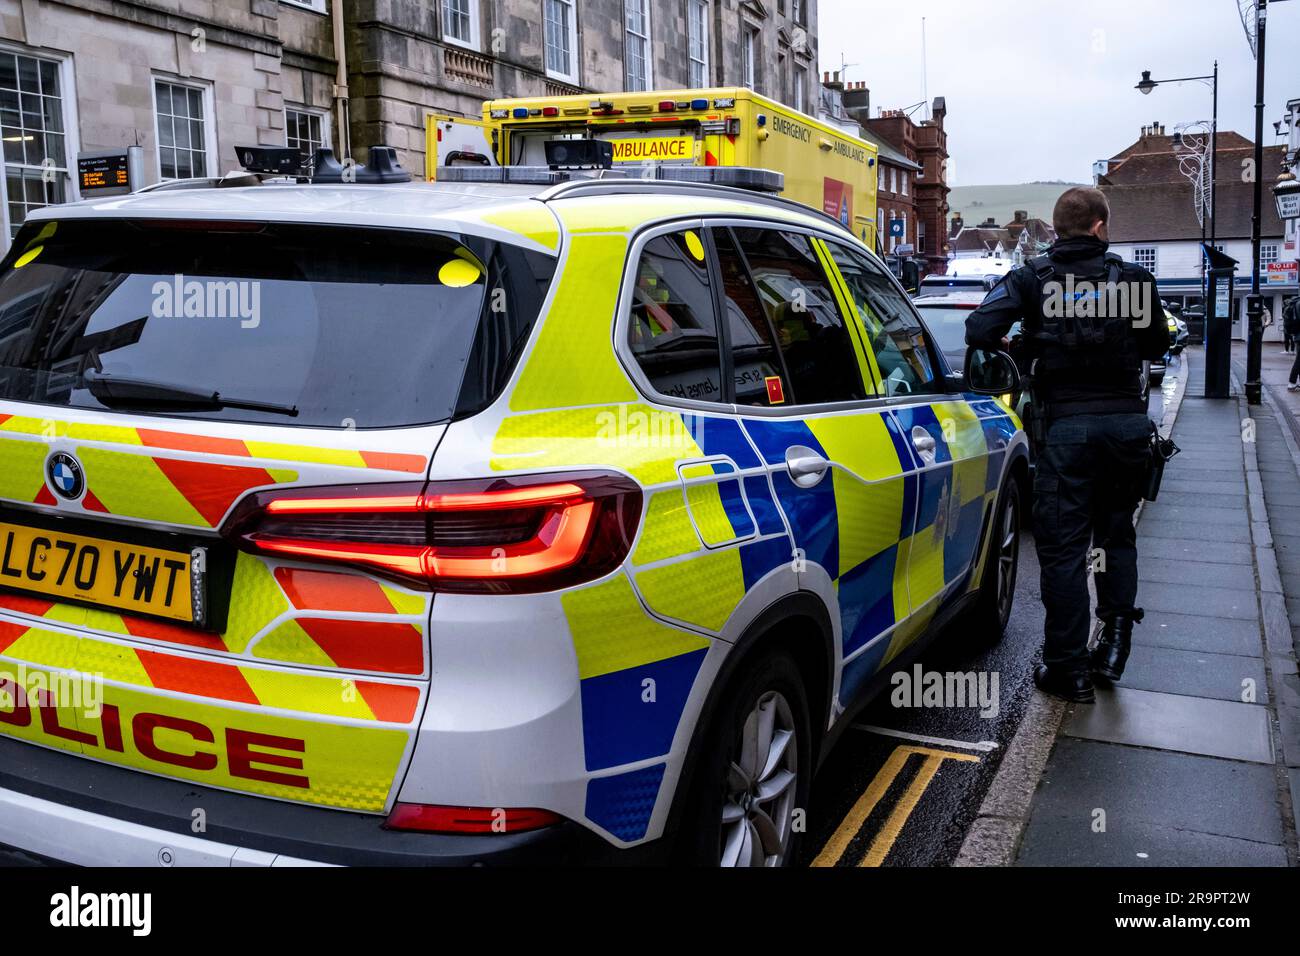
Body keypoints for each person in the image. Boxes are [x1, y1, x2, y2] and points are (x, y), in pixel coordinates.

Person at [966, 187, 1170, 702]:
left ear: (1057, 229)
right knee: (1116, 539)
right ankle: (1115, 648)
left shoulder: (1031, 277)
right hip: (1125, 429)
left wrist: (1023, 344)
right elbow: (1156, 345)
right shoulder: (1134, 281)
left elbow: (979, 328)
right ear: (1100, 226)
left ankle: (1068, 669)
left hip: (1066, 433)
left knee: (1063, 552)